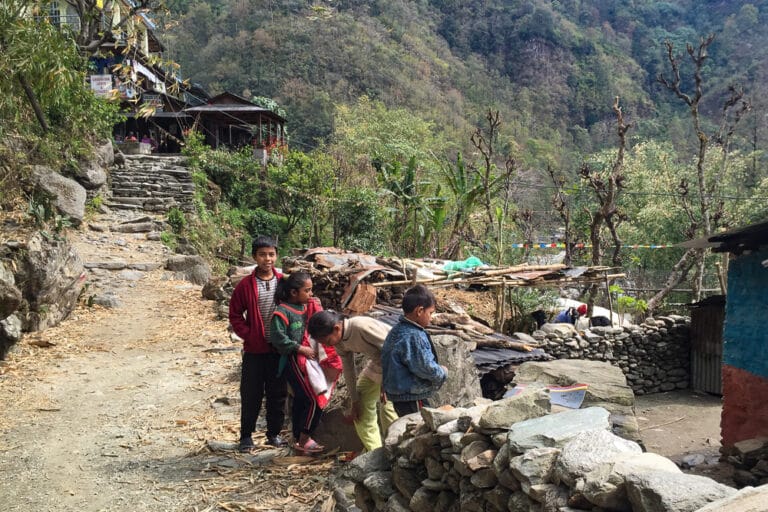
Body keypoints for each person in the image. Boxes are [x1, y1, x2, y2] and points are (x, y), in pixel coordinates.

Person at [270, 272, 342, 454]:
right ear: (294, 293)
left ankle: (298, 437)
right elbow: (277, 338)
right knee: (312, 399)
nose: (311, 294)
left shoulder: (306, 307)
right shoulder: (282, 312)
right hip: (292, 359)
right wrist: (299, 348)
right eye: (307, 290)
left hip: (307, 359)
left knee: (302, 398)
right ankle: (304, 437)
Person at [228, 235, 288, 452]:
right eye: (262, 255)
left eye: (271, 254)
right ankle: (246, 436)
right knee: (251, 393)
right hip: (255, 350)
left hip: (279, 350)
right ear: (254, 257)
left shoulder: (283, 283)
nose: (267, 259)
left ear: (276, 256)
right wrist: (249, 334)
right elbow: (235, 314)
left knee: (278, 393)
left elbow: (297, 308)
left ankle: (274, 434)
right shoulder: (245, 285)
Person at [307, 311, 398, 452]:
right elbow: (348, 369)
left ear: (337, 328)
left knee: (387, 408)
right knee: (360, 407)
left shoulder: (360, 326)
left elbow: (393, 349)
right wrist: (354, 401)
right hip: (377, 363)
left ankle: (396, 450)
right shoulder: (339, 340)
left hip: (397, 363)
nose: (328, 345)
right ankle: (376, 452)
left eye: (327, 341)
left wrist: (386, 384)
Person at [381, 284, 447, 417]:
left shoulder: (396, 330)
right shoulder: (414, 336)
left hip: (399, 395)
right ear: (419, 311)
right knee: (419, 429)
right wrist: (442, 372)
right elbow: (425, 367)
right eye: (430, 313)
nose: (431, 317)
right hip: (412, 396)